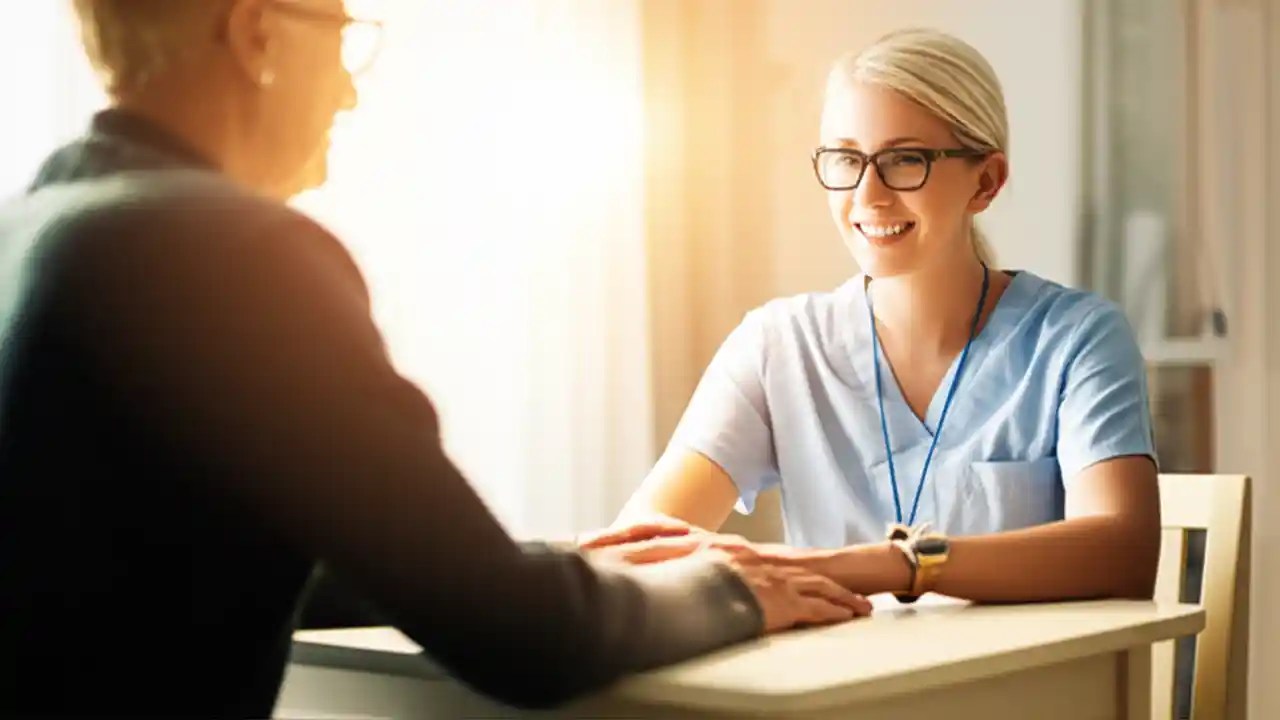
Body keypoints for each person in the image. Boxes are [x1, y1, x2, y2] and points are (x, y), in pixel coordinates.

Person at [0, 1, 873, 717]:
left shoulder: (34, 232)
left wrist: (570, 563)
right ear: (256, 32)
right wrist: (730, 592)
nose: (346, 91)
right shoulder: (237, 250)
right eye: (341, 36)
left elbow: (180, 576)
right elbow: (522, 640)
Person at [592, 28, 1161, 606]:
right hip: (839, 691)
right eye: (845, 159)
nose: (868, 194)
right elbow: (641, 546)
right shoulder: (777, 348)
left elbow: (1123, 553)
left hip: (1022, 692)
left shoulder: (1077, 340)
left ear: (985, 182)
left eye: (904, 160)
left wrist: (873, 566)